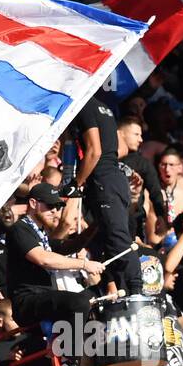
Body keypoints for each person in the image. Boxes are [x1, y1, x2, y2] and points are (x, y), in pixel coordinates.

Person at [69, 93, 140, 295]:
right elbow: (118, 148)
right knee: (105, 241)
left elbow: (94, 151)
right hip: (112, 180)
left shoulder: (84, 106)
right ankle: (119, 290)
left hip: (103, 181)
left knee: (118, 241)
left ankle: (138, 292)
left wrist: (76, 183)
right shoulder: (104, 107)